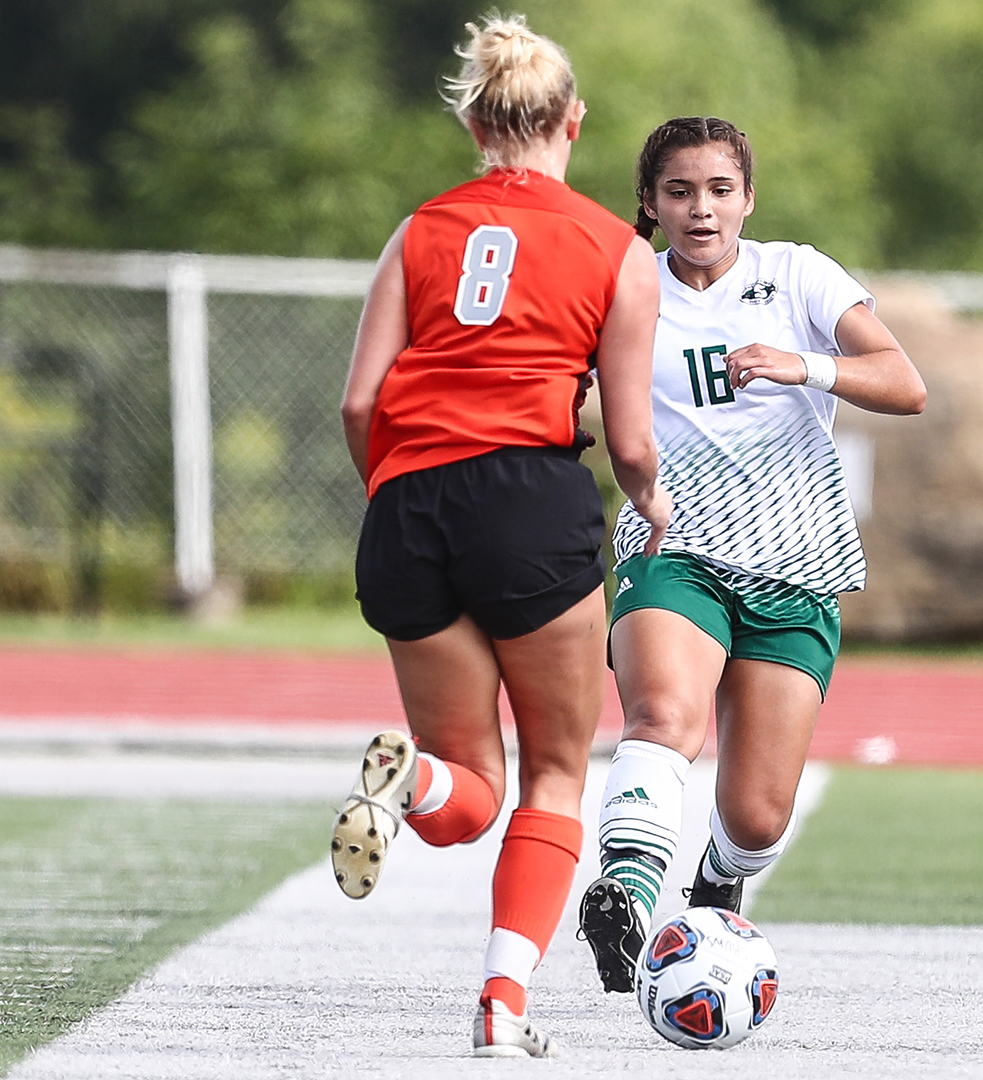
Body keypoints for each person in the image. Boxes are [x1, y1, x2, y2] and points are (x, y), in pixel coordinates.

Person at [329, 14, 669, 1057]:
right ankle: (502, 1005)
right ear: (574, 122)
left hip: (408, 499)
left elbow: (359, 404)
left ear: (475, 126)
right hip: (528, 501)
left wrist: (396, 491)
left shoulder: (419, 231)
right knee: (555, 775)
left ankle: (413, 781)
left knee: (465, 793)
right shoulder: (617, 248)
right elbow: (630, 439)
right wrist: (652, 505)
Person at [574, 116, 926, 993]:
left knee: (759, 816)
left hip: (795, 564)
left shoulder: (797, 274)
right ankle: (624, 896)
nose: (702, 208)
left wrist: (805, 365)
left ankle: (719, 879)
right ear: (650, 202)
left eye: (719, 190)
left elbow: (905, 383)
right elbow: (556, 391)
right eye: (680, 191)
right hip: (675, 546)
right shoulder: (623, 291)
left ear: (748, 199)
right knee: (664, 715)